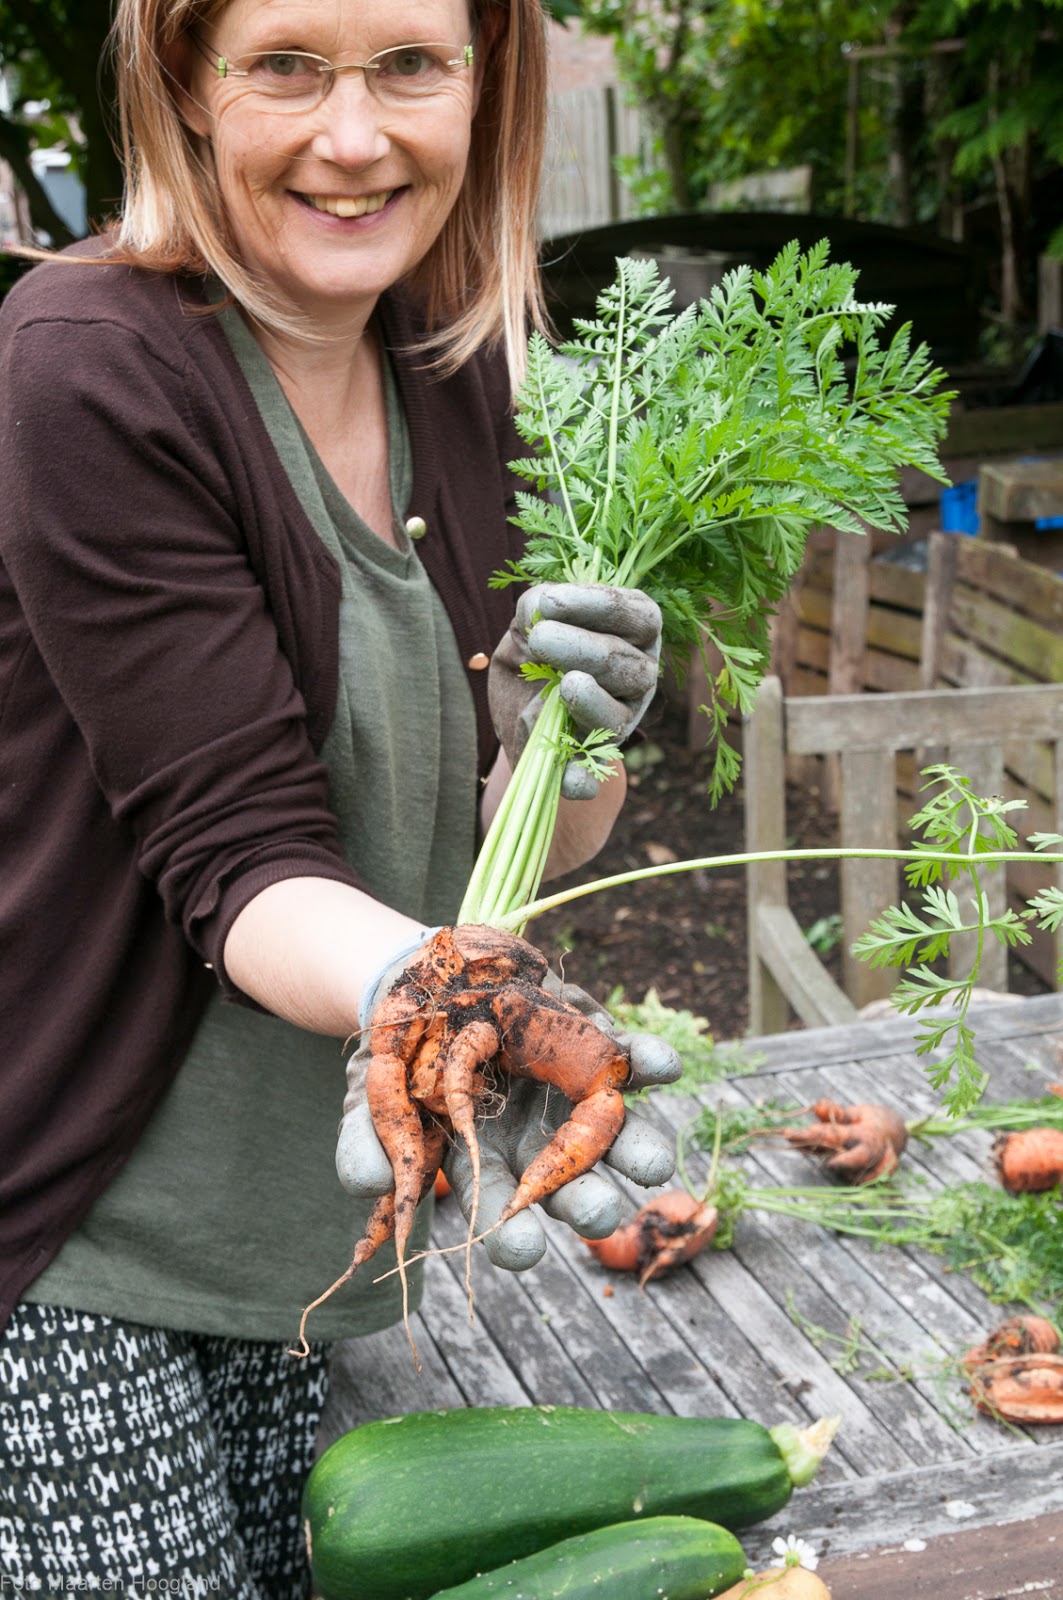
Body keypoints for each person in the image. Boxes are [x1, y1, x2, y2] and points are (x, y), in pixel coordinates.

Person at [0, 2, 679, 1595]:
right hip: (68, 1232)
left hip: (313, 1233)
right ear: (185, 84)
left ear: (485, 83)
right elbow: (236, 853)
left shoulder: (477, 366)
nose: (355, 138)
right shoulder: (87, 361)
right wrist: (448, 1000)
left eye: (410, 65)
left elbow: (516, 835)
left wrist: (565, 747)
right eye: (287, 66)